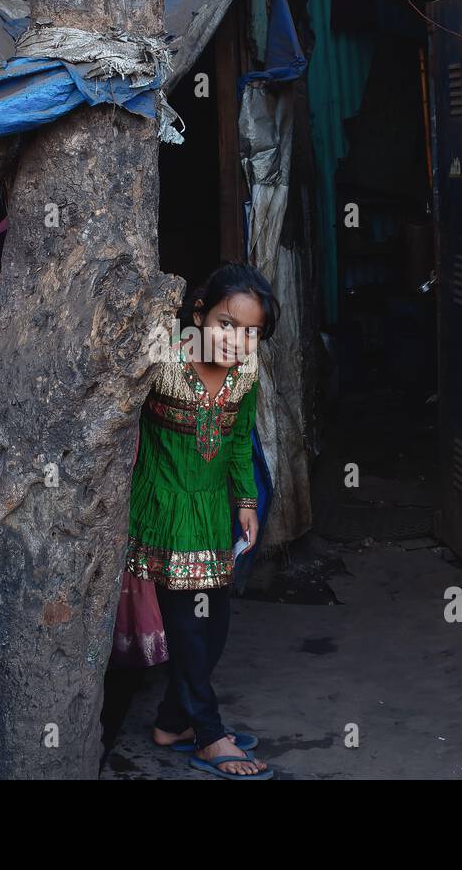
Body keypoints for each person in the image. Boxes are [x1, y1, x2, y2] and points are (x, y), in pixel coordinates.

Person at [124, 262, 280, 779]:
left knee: (214, 627)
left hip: (212, 509)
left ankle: (173, 722)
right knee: (189, 628)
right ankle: (210, 733)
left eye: (251, 331)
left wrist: (246, 502)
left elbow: (237, 442)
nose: (237, 340)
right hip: (166, 506)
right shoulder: (162, 360)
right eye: (226, 324)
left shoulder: (246, 373)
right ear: (198, 314)